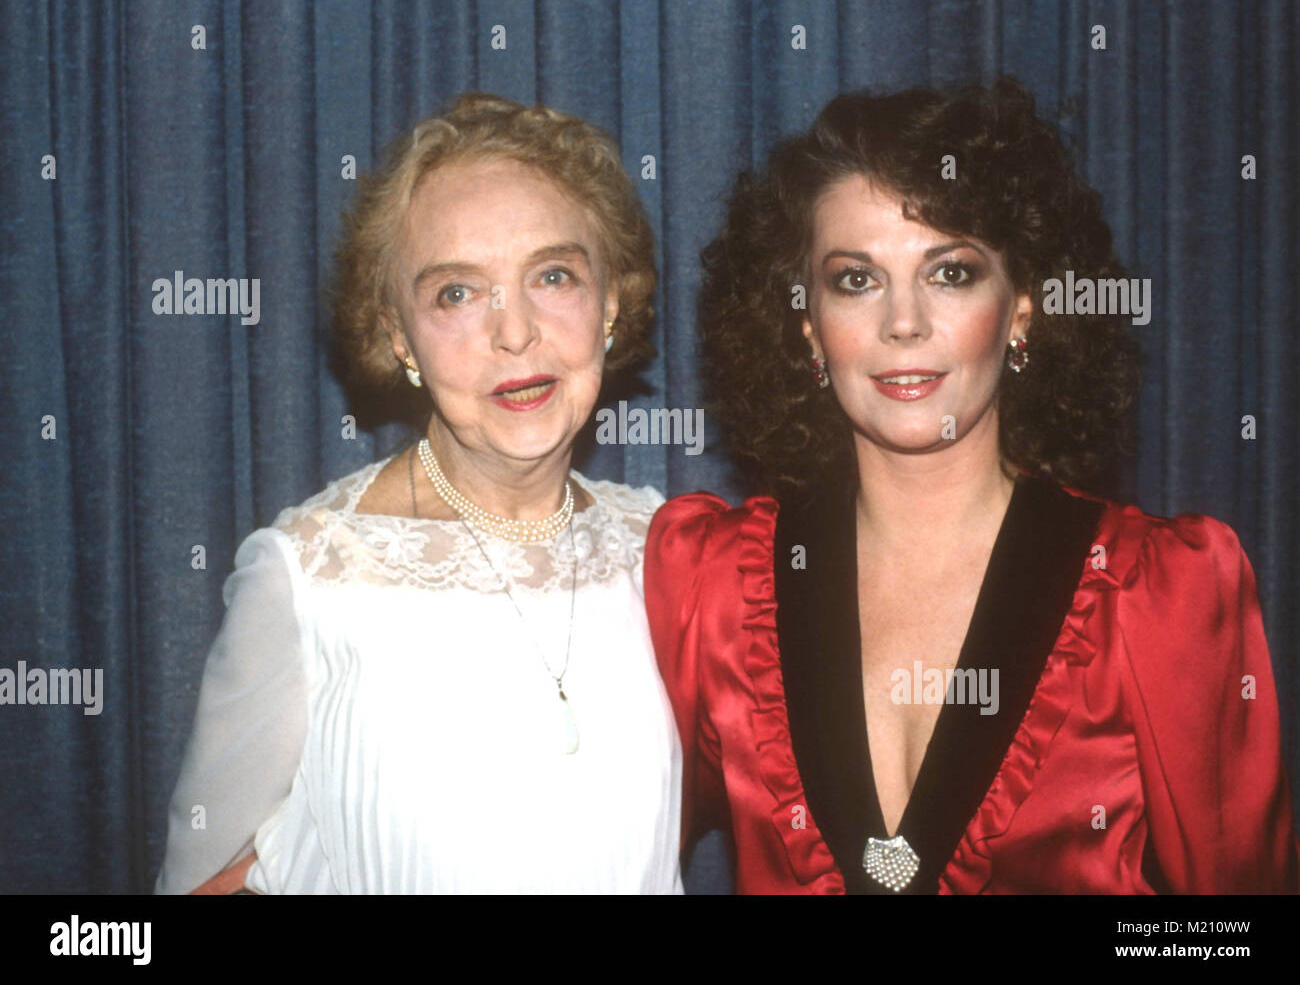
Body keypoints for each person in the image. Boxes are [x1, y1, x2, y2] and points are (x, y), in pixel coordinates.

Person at [645, 78, 1300, 894]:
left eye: (950, 273)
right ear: (806, 323)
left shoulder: (1156, 593)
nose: (904, 322)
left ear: (1023, 305)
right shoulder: (713, 587)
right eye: (856, 279)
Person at [156, 92, 682, 894]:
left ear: (610, 300)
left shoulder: (669, 555)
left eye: (552, 275)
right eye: (457, 293)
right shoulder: (310, 578)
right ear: (397, 335)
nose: (515, 332)